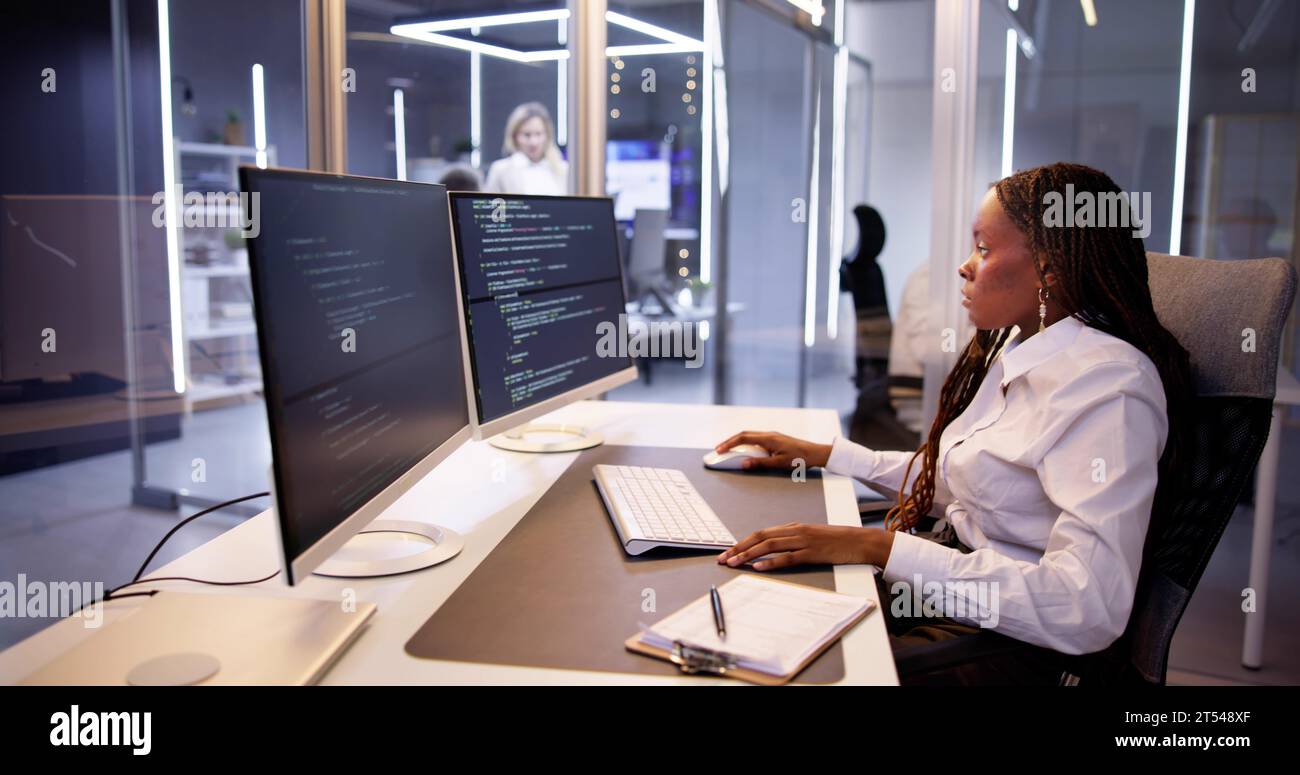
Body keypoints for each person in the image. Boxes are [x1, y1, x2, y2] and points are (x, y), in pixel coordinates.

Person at [713, 162, 1193, 684]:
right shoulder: (1020, 345)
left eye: (984, 249)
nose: (966, 267)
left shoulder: (1107, 389)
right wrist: (829, 455)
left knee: (765, 665)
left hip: (1007, 642)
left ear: (1050, 269)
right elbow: (970, 481)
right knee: (749, 611)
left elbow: (1086, 608)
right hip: (947, 591)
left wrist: (876, 546)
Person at [483, 102, 568, 195]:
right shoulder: (500, 170)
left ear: (548, 135)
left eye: (538, 134)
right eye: (527, 135)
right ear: (514, 136)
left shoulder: (563, 170)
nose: (533, 142)